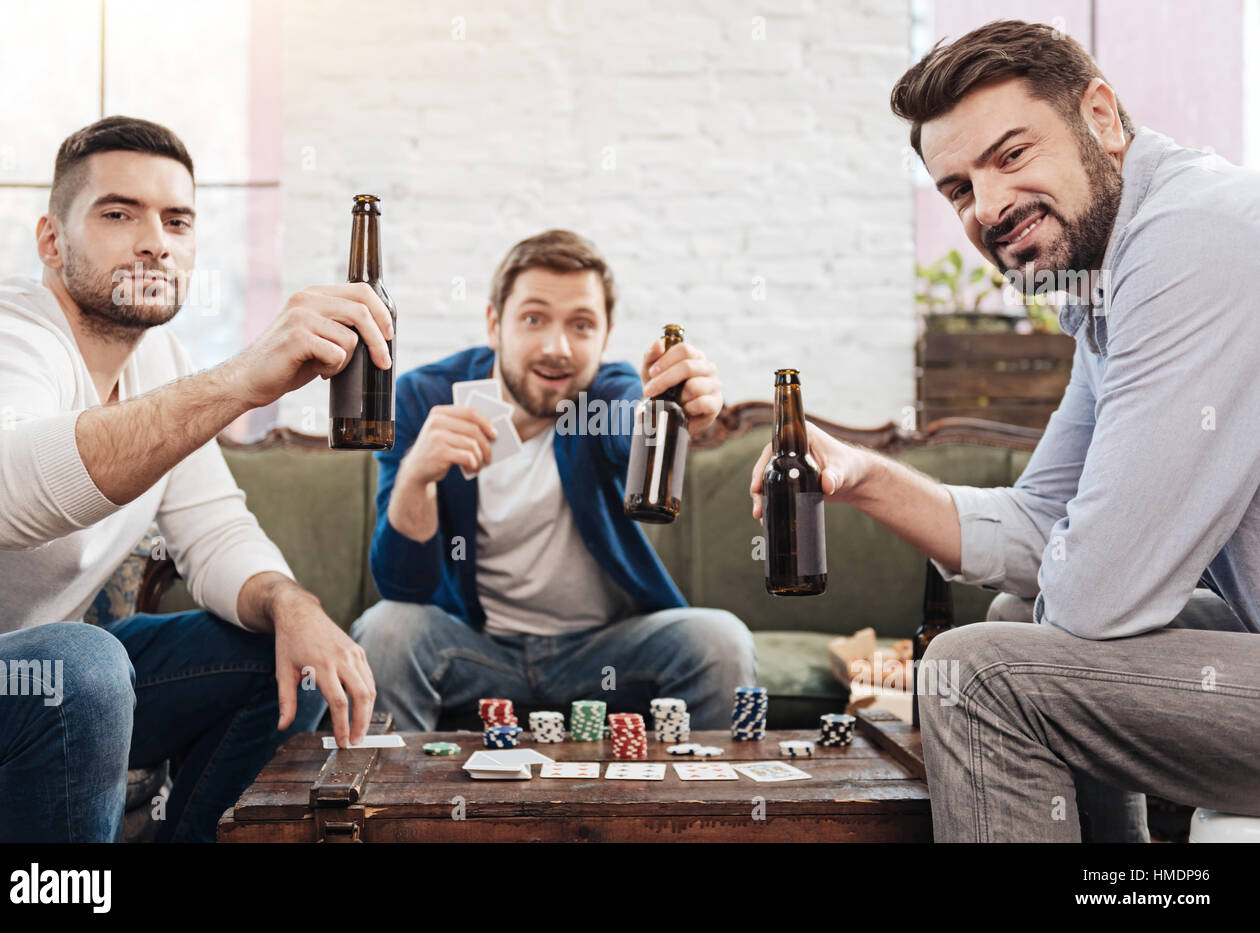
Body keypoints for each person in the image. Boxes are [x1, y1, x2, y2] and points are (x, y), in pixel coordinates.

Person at [751, 20, 1260, 842]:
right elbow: (1043, 529)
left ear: (1100, 116)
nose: (988, 208)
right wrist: (860, 473)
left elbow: (1100, 598)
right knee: (1016, 612)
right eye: (957, 189)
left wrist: (1078, 564)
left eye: (1011, 155)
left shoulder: (1194, 241)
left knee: (972, 674)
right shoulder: (1112, 280)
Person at [0, 116, 379, 842]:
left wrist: (293, 604)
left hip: (46, 687)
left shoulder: (161, 364)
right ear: (52, 241)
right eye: (119, 212)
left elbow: (214, 531)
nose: (155, 239)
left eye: (177, 219)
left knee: (289, 656)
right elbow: (3, 496)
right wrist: (244, 377)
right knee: (82, 664)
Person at [351, 229, 755, 730]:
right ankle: (388, 807)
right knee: (386, 630)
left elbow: (629, 424)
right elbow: (400, 584)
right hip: (473, 652)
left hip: (602, 654)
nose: (556, 347)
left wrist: (668, 419)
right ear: (495, 324)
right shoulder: (423, 396)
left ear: (605, 339)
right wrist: (416, 476)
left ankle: (702, 808)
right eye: (534, 318)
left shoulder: (606, 395)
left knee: (720, 639)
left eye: (581, 325)